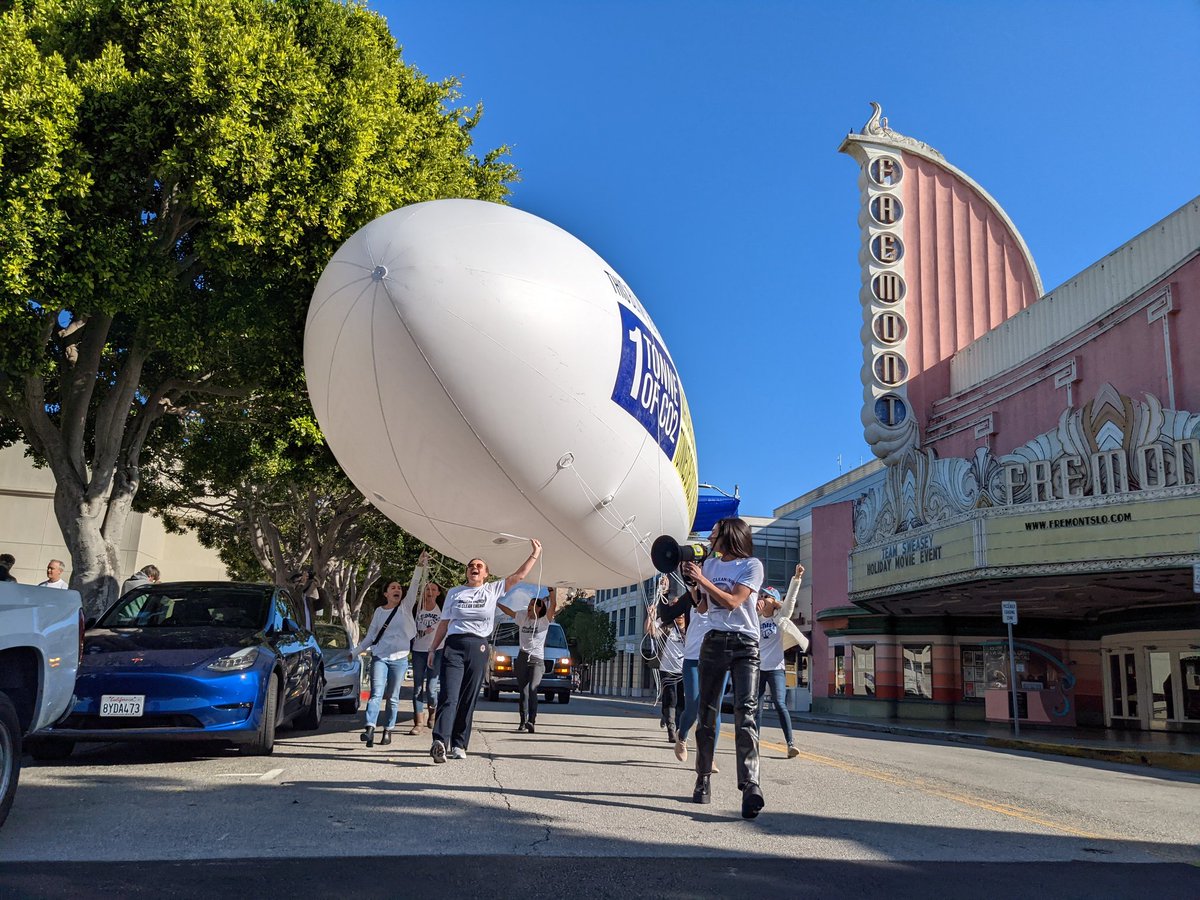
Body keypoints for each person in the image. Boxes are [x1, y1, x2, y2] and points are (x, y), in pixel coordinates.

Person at [426, 538, 542, 763]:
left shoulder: (492, 589)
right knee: (449, 695)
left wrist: (534, 554)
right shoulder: (455, 593)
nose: (474, 568)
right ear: (466, 572)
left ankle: (459, 744)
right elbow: (444, 623)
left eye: (479, 566)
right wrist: (433, 648)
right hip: (454, 646)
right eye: (471, 566)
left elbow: (518, 576)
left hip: (478, 647)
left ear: (486, 574)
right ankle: (439, 742)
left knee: (468, 698)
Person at [683, 517, 765, 819]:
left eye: (714, 533)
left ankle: (750, 786)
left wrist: (702, 579)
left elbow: (733, 602)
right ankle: (703, 778)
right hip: (714, 640)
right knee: (707, 714)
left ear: (728, 536)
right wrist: (694, 584)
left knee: (746, 713)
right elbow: (704, 607)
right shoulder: (711, 565)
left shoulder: (752, 566)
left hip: (746, 644)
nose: (709, 538)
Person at [348, 553, 427, 747]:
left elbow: (414, 585)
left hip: (400, 659)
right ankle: (370, 728)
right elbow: (370, 637)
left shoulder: (406, 607)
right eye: (393, 588)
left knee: (393, 697)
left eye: (399, 588)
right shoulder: (379, 612)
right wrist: (354, 652)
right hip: (380, 657)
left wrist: (419, 566)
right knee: (376, 693)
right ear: (386, 594)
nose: (397, 590)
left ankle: (388, 729)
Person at [653, 574, 727, 770]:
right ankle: (682, 736)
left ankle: (709, 756)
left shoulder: (722, 594)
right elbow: (666, 615)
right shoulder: (689, 597)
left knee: (714, 710)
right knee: (693, 706)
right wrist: (663, 592)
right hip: (693, 658)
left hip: (717, 658)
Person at [756, 567, 805, 758]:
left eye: (766, 596)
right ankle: (753, 743)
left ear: (774, 601)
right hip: (758, 668)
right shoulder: (755, 618)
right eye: (761, 595)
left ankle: (790, 744)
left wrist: (797, 578)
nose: (762, 598)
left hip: (776, 668)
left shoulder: (780, 618)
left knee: (779, 703)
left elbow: (790, 600)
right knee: (756, 707)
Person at [497, 587, 559, 733]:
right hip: (522, 658)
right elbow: (509, 612)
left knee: (532, 689)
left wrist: (551, 591)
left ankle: (531, 721)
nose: (529, 607)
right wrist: (497, 603)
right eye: (529, 604)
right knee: (523, 691)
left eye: (533, 604)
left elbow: (553, 605)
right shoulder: (523, 617)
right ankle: (522, 721)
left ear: (540, 608)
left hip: (537, 660)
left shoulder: (544, 620)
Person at [646, 600, 686, 744]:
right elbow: (651, 632)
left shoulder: (691, 627)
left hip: (685, 669)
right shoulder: (665, 624)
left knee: (682, 700)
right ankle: (671, 729)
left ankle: (679, 728)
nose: (680, 614)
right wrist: (651, 615)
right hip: (667, 668)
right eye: (675, 608)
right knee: (671, 698)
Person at [408, 575, 444, 735]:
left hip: (437, 650)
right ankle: (418, 722)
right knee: (417, 687)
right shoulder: (417, 609)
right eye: (427, 589)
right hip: (418, 651)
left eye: (433, 589)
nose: (430, 592)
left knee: (431, 688)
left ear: (438, 593)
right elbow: (409, 629)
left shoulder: (442, 610)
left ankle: (433, 713)